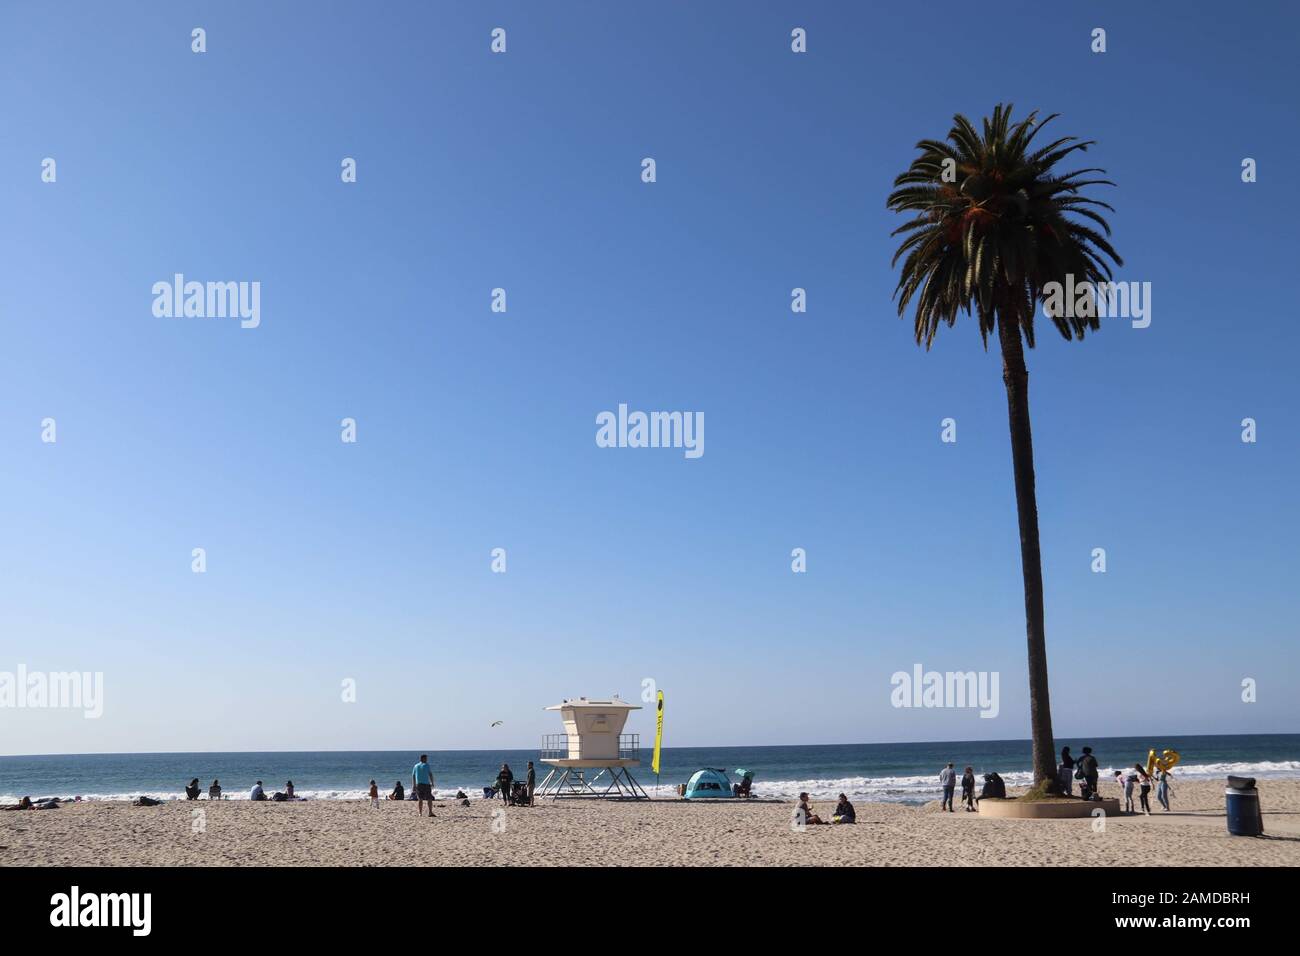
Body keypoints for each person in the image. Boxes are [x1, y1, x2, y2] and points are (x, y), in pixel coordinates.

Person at [412, 754, 435, 818]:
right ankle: (430, 812)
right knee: (429, 798)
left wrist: (413, 785)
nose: (427, 760)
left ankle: (420, 813)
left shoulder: (416, 766)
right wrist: (432, 782)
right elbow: (430, 774)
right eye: (426, 759)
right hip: (426, 784)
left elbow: (413, 776)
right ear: (423, 759)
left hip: (418, 784)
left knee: (420, 799)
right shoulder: (427, 765)